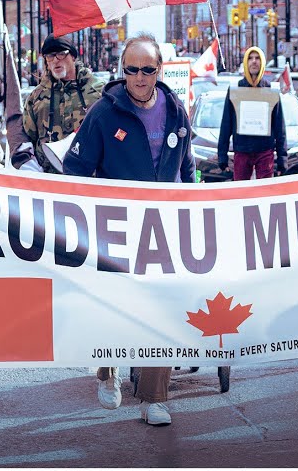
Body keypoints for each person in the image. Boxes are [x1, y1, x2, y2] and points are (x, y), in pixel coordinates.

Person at [64, 33, 194, 426]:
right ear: (123, 71)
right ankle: (107, 370)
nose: (139, 77)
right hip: (114, 230)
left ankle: (155, 398)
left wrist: (192, 207)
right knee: (115, 306)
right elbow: (75, 170)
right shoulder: (103, 114)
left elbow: (186, 167)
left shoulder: (175, 110)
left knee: (162, 309)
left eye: (147, 69)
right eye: (132, 69)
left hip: (163, 229)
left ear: (159, 70)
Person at [21, 34, 105, 172]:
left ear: (73, 56)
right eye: (50, 56)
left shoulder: (99, 90)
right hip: (50, 180)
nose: (55, 60)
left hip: (90, 178)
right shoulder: (36, 97)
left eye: (61, 54)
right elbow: (28, 135)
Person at [217, 46, 287, 179]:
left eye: (257, 58)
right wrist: (222, 156)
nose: (254, 61)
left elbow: (279, 127)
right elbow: (226, 125)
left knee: (265, 193)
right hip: (242, 150)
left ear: (262, 63)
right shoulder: (235, 90)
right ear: (245, 62)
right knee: (241, 193)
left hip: (265, 151)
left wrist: (282, 160)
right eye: (250, 58)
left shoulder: (270, 90)